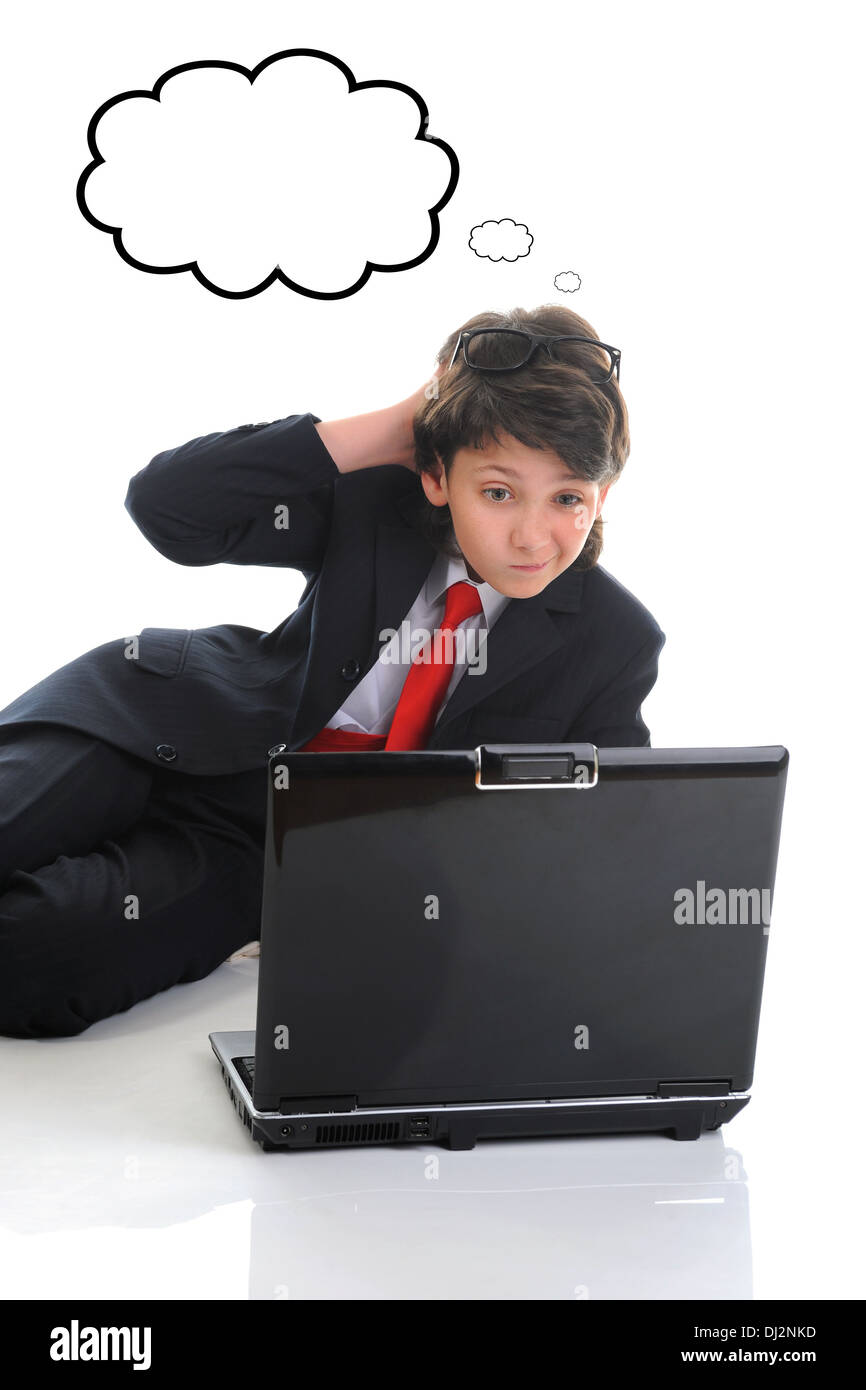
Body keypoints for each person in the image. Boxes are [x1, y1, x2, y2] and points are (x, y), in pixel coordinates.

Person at [0, 303, 665, 1038]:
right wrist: (401, 424)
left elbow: (597, 841)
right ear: (437, 476)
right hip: (152, 722)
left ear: (602, 494)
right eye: (499, 492)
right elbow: (169, 510)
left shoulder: (616, 641)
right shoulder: (379, 503)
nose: (534, 536)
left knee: (37, 957)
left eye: (568, 497)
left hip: (258, 850)